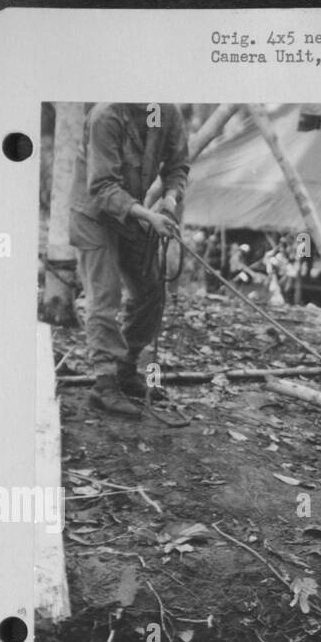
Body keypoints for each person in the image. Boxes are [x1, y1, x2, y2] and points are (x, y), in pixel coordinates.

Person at [69, 103, 190, 419]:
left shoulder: (167, 112)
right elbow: (103, 187)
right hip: (94, 215)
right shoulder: (106, 117)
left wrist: (168, 201)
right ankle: (104, 383)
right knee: (105, 294)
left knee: (151, 290)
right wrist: (148, 215)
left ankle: (125, 368)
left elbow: (177, 165)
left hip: (133, 213)